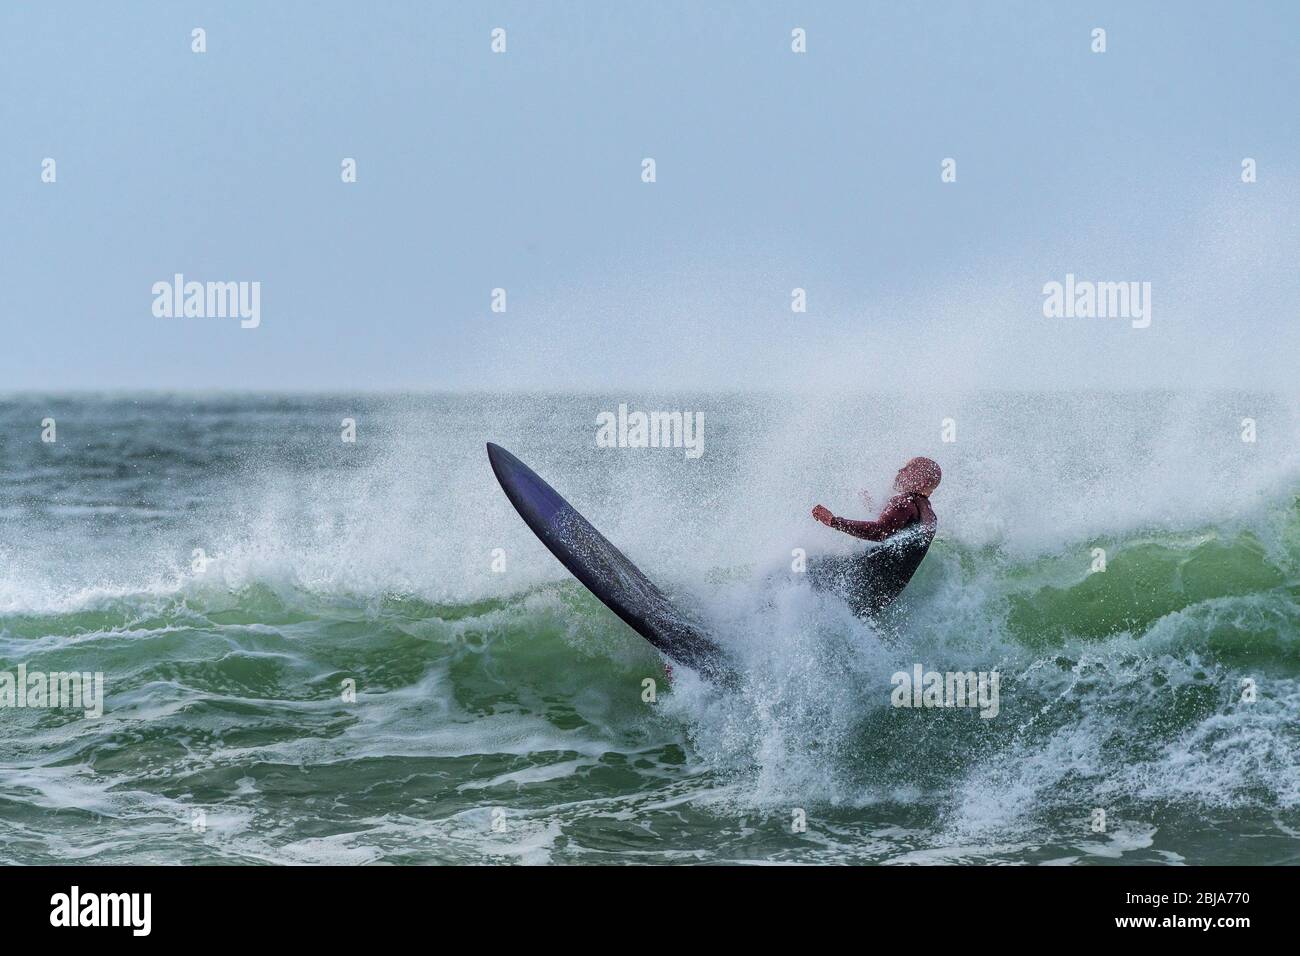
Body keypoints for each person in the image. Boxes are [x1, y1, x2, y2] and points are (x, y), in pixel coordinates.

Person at [812, 457, 941, 541]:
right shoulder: (927, 513)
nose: (900, 470)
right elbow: (893, 525)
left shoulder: (905, 502)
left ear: (921, 482)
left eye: (908, 468)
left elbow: (880, 532)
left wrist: (833, 521)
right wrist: (872, 507)